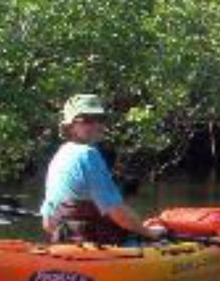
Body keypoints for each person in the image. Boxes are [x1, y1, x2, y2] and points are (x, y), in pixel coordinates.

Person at [41, 94, 167, 245]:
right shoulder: (88, 154)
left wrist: (138, 226)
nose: (96, 125)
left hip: (65, 243)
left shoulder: (59, 156)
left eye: (100, 119)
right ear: (71, 126)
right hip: (96, 246)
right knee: (162, 240)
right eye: (87, 120)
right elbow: (117, 212)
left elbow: (47, 223)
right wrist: (148, 232)